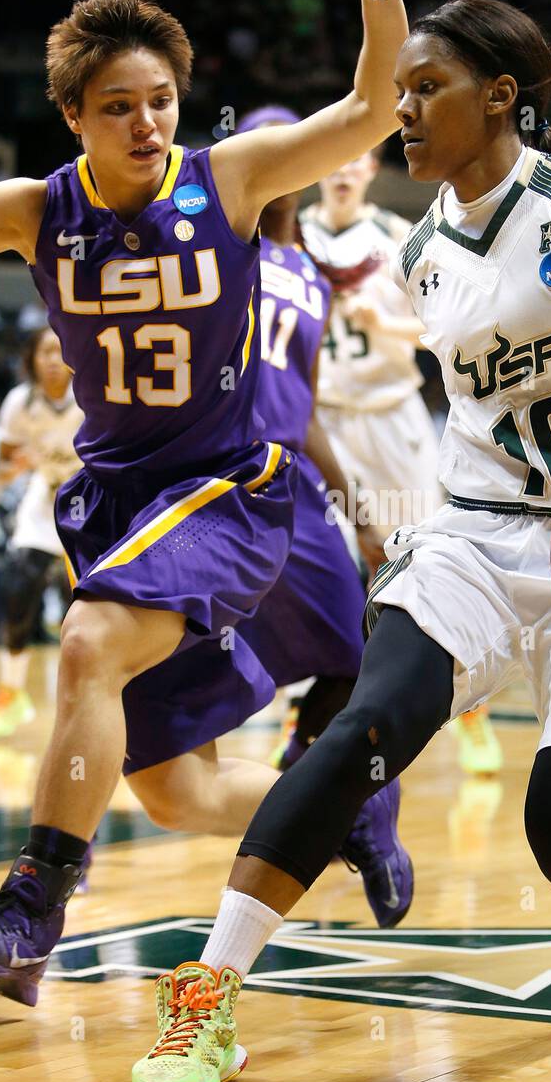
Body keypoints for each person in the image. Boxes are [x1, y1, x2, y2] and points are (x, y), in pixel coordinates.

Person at [131, 0, 551, 1082]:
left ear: (500, 96)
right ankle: (207, 994)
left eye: (427, 90)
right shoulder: (421, 252)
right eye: (398, 90)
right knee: (363, 726)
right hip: (470, 531)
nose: (403, 110)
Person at [0, 0, 407, 1008]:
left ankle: (30, 913)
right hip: (116, 495)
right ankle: (339, 804)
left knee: (87, 649)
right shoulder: (34, 210)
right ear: (73, 117)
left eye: (160, 98)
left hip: (228, 487)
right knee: (173, 791)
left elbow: (366, 115)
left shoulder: (231, 178)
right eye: (118, 105)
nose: (146, 122)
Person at [126, 103, 413, 935]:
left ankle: (360, 819)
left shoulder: (312, 274)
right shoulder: (217, 246)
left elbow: (306, 401)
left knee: (358, 668)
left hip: (287, 478)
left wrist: (357, 504)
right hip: (208, 481)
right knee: (159, 677)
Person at [301, 149, 504, 772]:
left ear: (370, 170)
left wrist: (382, 325)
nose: (342, 171)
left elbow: (442, 331)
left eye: (355, 162)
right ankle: (312, 706)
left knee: (429, 561)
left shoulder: (400, 237)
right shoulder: (291, 236)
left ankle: (471, 713)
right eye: (335, 162)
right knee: (320, 564)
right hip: (324, 419)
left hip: (392, 415)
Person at [0, 327, 82, 738]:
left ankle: (110, 701)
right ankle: (11, 695)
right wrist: (1, 478)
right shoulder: (19, 404)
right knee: (17, 588)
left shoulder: (92, 397)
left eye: (61, 350)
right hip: (45, 499)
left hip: (90, 501)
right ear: (32, 358)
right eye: (45, 351)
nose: (53, 359)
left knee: (90, 608)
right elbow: (5, 464)